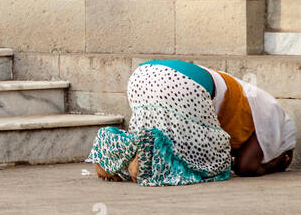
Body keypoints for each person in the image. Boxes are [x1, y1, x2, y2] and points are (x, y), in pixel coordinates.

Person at [89, 59, 295, 185]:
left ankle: (110, 155)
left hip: (143, 75)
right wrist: (272, 165)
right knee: (211, 167)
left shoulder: (254, 104)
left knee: (165, 142)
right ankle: (144, 165)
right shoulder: (272, 118)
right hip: (184, 84)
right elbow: (246, 168)